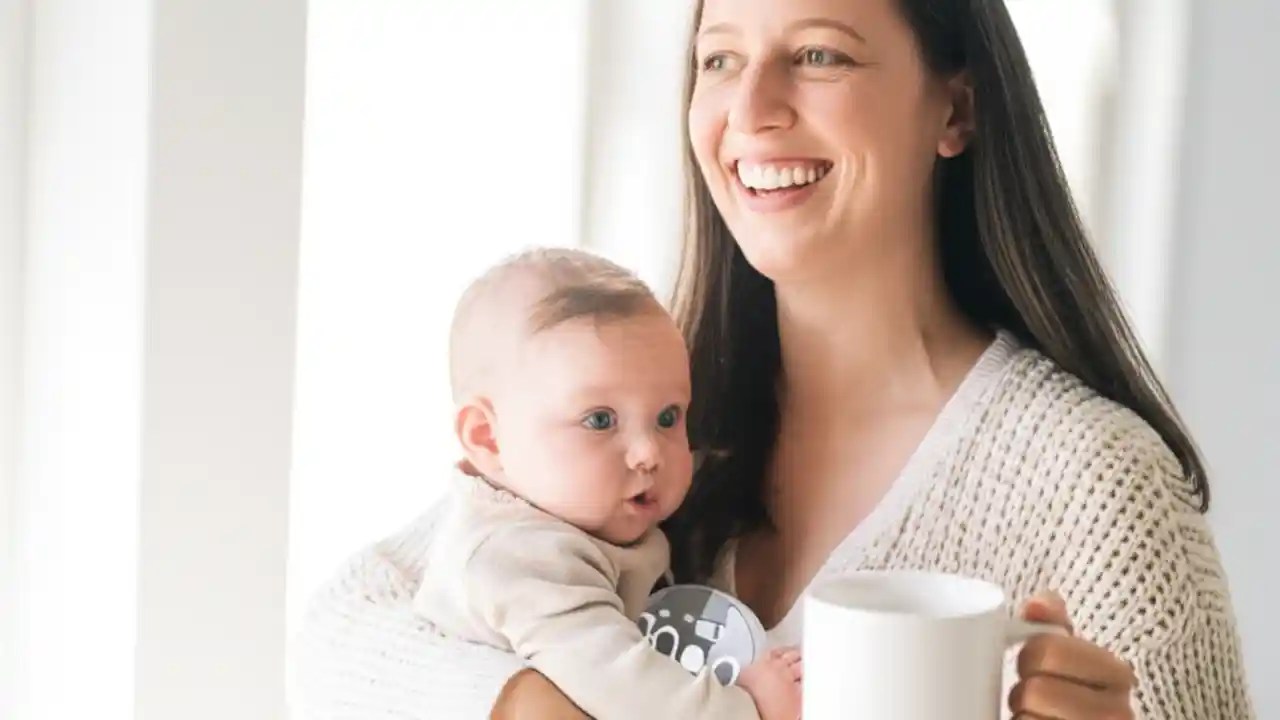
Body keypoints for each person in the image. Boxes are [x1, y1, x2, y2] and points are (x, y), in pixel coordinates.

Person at [295, 0, 1255, 718]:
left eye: (818, 54)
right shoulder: (647, 405)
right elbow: (340, 639)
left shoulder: (1095, 486)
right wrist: (529, 702)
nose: (750, 109)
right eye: (719, 59)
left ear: (955, 109)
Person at [415, 248, 801, 720]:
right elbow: (622, 686)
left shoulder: (571, 510)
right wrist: (746, 707)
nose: (648, 452)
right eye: (600, 420)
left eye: (667, 417)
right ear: (487, 438)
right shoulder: (519, 557)